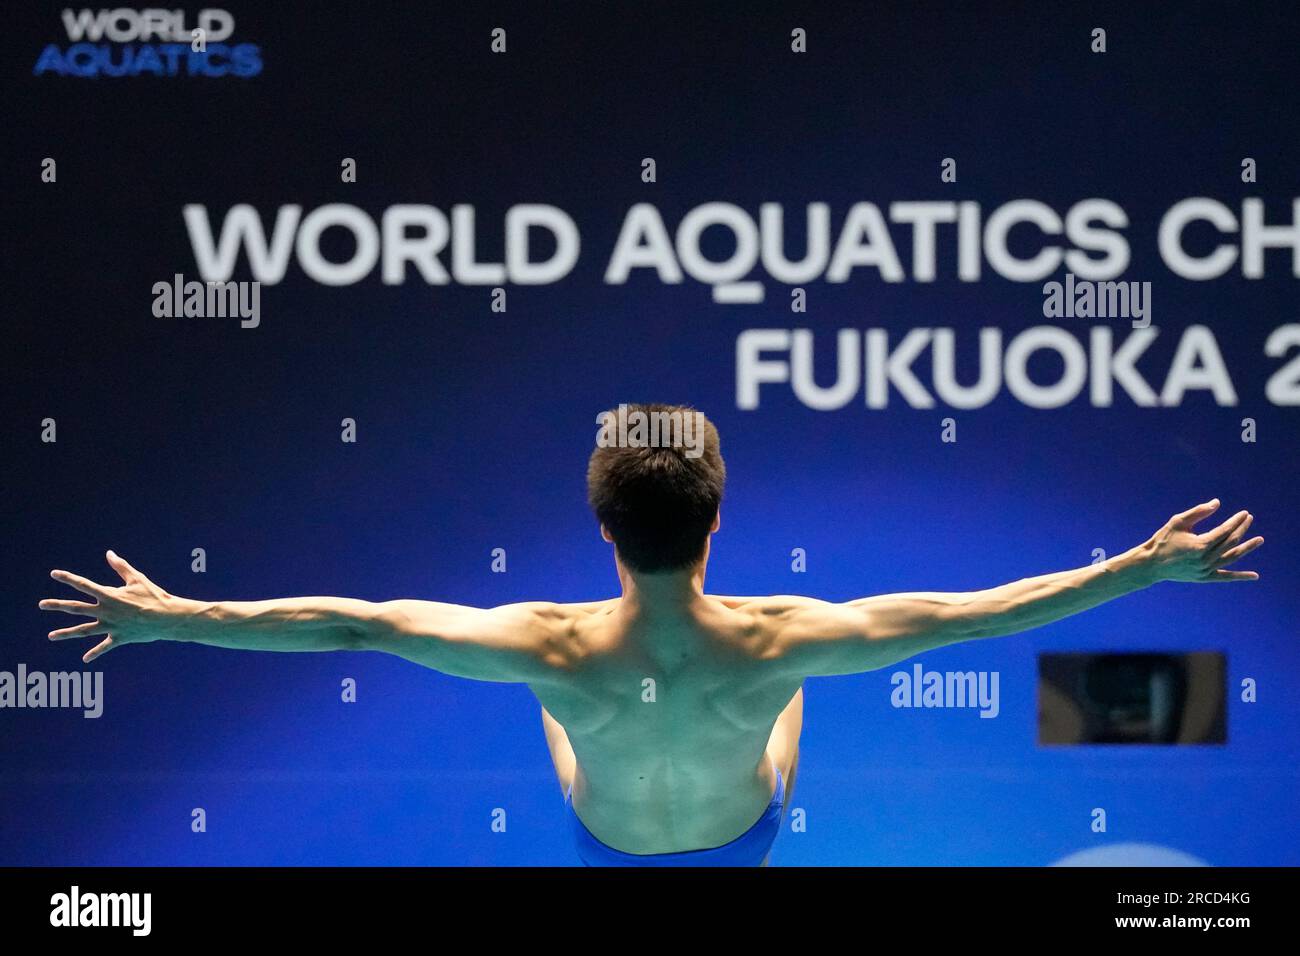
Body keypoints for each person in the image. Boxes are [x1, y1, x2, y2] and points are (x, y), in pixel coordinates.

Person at [39, 403, 1264, 866]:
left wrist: (172, 619)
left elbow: (347, 626)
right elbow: (993, 608)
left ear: (601, 530)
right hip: (748, 814)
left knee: (528, 672)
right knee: (822, 658)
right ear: (720, 517)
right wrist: (1149, 564)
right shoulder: (787, 631)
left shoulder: (543, 637)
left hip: (600, 819)